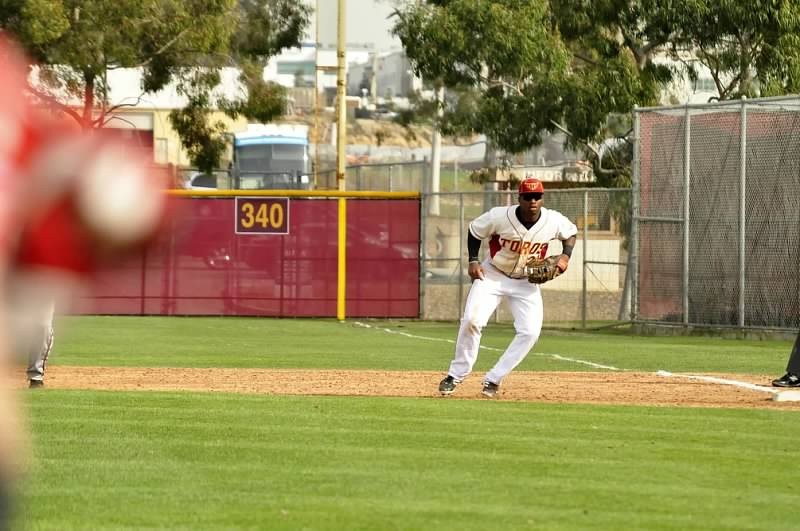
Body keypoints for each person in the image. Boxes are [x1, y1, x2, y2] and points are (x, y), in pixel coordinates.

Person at [438, 178, 578, 398]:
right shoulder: (500, 216)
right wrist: (473, 260)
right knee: (472, 320)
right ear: (519, 198)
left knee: (530, 331)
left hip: (526, 282)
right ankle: (455, 375)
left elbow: (570, 233)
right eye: (528, 197)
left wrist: (565, 257)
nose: (533, 201)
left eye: (537, 197)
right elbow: (475, 230)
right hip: (493, 274)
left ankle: (493, 379)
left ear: (542, 198)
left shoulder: (553, 220)